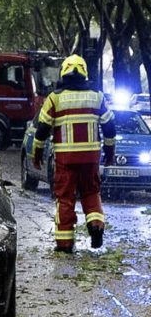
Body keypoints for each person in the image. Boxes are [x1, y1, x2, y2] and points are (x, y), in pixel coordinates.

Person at [31, 54, 116, 253]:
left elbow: (42, 130)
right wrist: (110, 153)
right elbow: (110, 128)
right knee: (91, 193)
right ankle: (96, 226)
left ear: (63, 72)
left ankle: (64, 244)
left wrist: (36, 154)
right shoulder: (97, 96)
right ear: (85, 73)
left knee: (65, 199)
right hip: (90, 159)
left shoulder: (55, 98)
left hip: (65, 161)